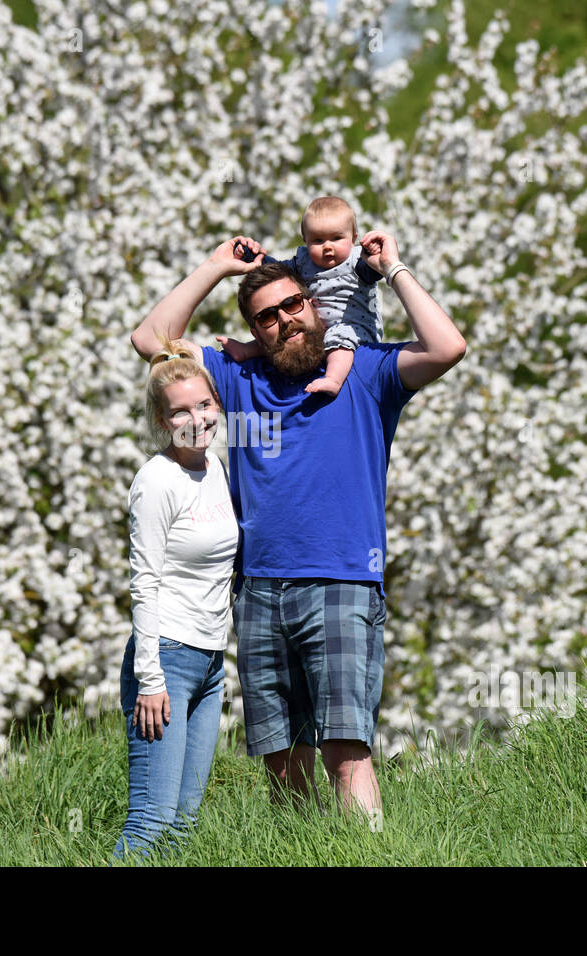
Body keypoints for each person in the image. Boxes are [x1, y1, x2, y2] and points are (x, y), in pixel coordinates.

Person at [129, 230, 466, 817]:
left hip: (342, 582)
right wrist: (215, 267)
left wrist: (393, 270)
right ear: (255, 331)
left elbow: (448, 346)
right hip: (258, 591)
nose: (284, 320)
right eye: (266, 317)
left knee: (346, 752)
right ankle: (302, 851)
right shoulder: (236, 381)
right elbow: (151, 339)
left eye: (294, 304)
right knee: (282, 759)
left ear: (315, 304)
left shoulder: (365, 371)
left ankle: (368, 860)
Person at [112, 334, 238, 861]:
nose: (197, 419)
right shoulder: (157, 480)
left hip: (210, 662)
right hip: (166, 659)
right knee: (150, 821)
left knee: (184, 825)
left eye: (205, 404)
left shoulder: (216, 469)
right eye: (180, 411)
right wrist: (151, 679)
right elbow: (144, 582)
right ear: (162, 421)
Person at [215, 195, 384, 398]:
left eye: (337, 238)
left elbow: (373, 272)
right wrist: (251, 256)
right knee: (283, 336)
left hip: (352, 328)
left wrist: (375, 254)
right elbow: (276, 269)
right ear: (305, 239)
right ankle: (246, 350)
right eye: (318, 240)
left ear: (353, 237)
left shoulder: (357, 261)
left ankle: (334, 379)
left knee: (336, 339)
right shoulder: (304, 262)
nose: (327, 246)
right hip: (317, 327)